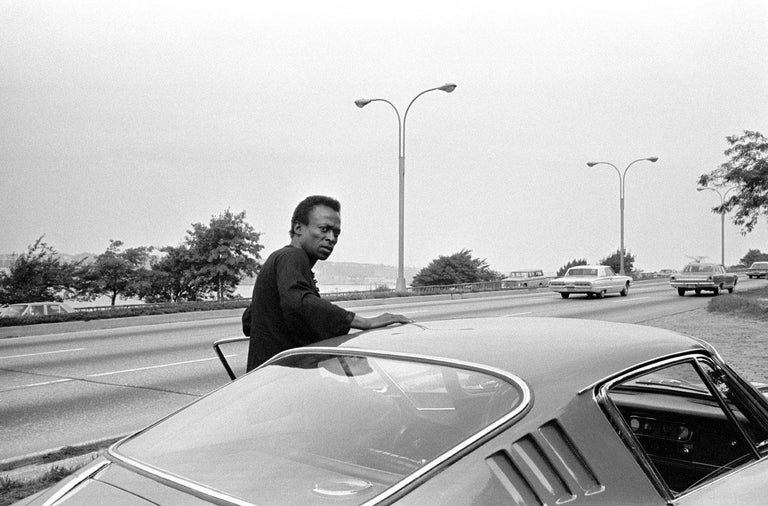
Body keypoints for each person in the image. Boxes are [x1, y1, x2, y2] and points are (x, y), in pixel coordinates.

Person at [244, 195, 411, 371]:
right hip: (282, 378)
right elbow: (298, 301)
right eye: (324, 229)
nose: (331, 238)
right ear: (298, 228)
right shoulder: (293, 256)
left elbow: (248, 320)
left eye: (336, 233)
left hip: (264, 376)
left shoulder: (280, 258)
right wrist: (364, 322)